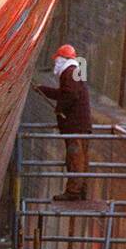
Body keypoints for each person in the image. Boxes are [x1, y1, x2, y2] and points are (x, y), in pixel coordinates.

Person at [34, 44, 93, 202]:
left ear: (63, 59)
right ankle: (80, 191)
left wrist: (60, 109)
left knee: (75, 157)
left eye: (57, 59)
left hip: (75, 125)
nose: (55, 63)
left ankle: (73, 192)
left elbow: (70, 94)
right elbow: (65, 93)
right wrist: (43, 89)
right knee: (80, 158)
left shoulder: (70, 72)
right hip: (79, 124)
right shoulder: (74, 72)